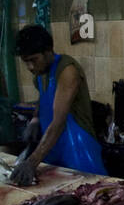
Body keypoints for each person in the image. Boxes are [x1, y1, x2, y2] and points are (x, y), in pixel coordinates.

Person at [8, 21, 109, 186]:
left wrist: (32, 161)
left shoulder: (67, 70)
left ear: (48, 51)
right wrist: (35, 119)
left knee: (89, 194)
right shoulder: (42, 71)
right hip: (53, 147)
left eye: (33, 60)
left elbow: (59, 122)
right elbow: (44, 96)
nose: (30, 67)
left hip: (78, 148)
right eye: (26, 61)